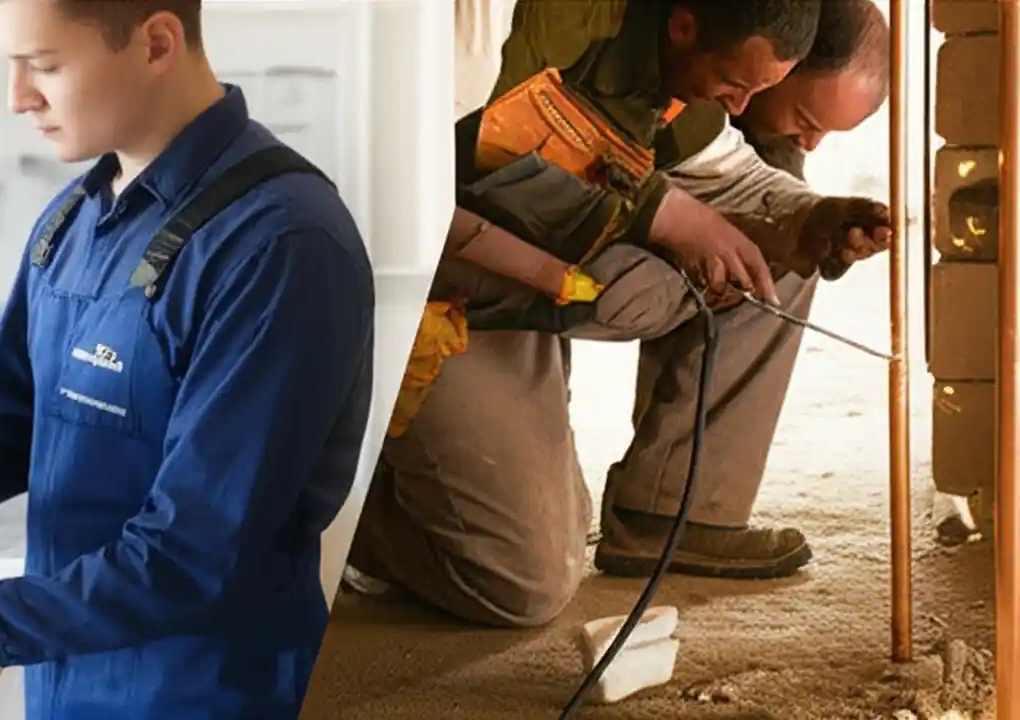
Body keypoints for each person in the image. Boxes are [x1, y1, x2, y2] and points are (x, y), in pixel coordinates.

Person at [0, 1, 375, 718]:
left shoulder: (279, 246)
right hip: (64, 685)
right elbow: (3, 430)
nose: (16, 97)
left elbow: (190, 556)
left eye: (44, 66)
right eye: (8, 64)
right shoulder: (71, 223)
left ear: (156, 44)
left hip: (197, 695)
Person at [346, 0, 891, 628]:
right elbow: (438, 165)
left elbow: (727, 175)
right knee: (528, 580)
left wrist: (808, 217)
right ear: (685, 24)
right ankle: (327, 503)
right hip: (429, 292)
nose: (739, 109)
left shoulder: (688, 62)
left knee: (772, 256)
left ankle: (669, 518)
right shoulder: (520, 25)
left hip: (544, 288)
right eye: (739, 86)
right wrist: (658, 213)